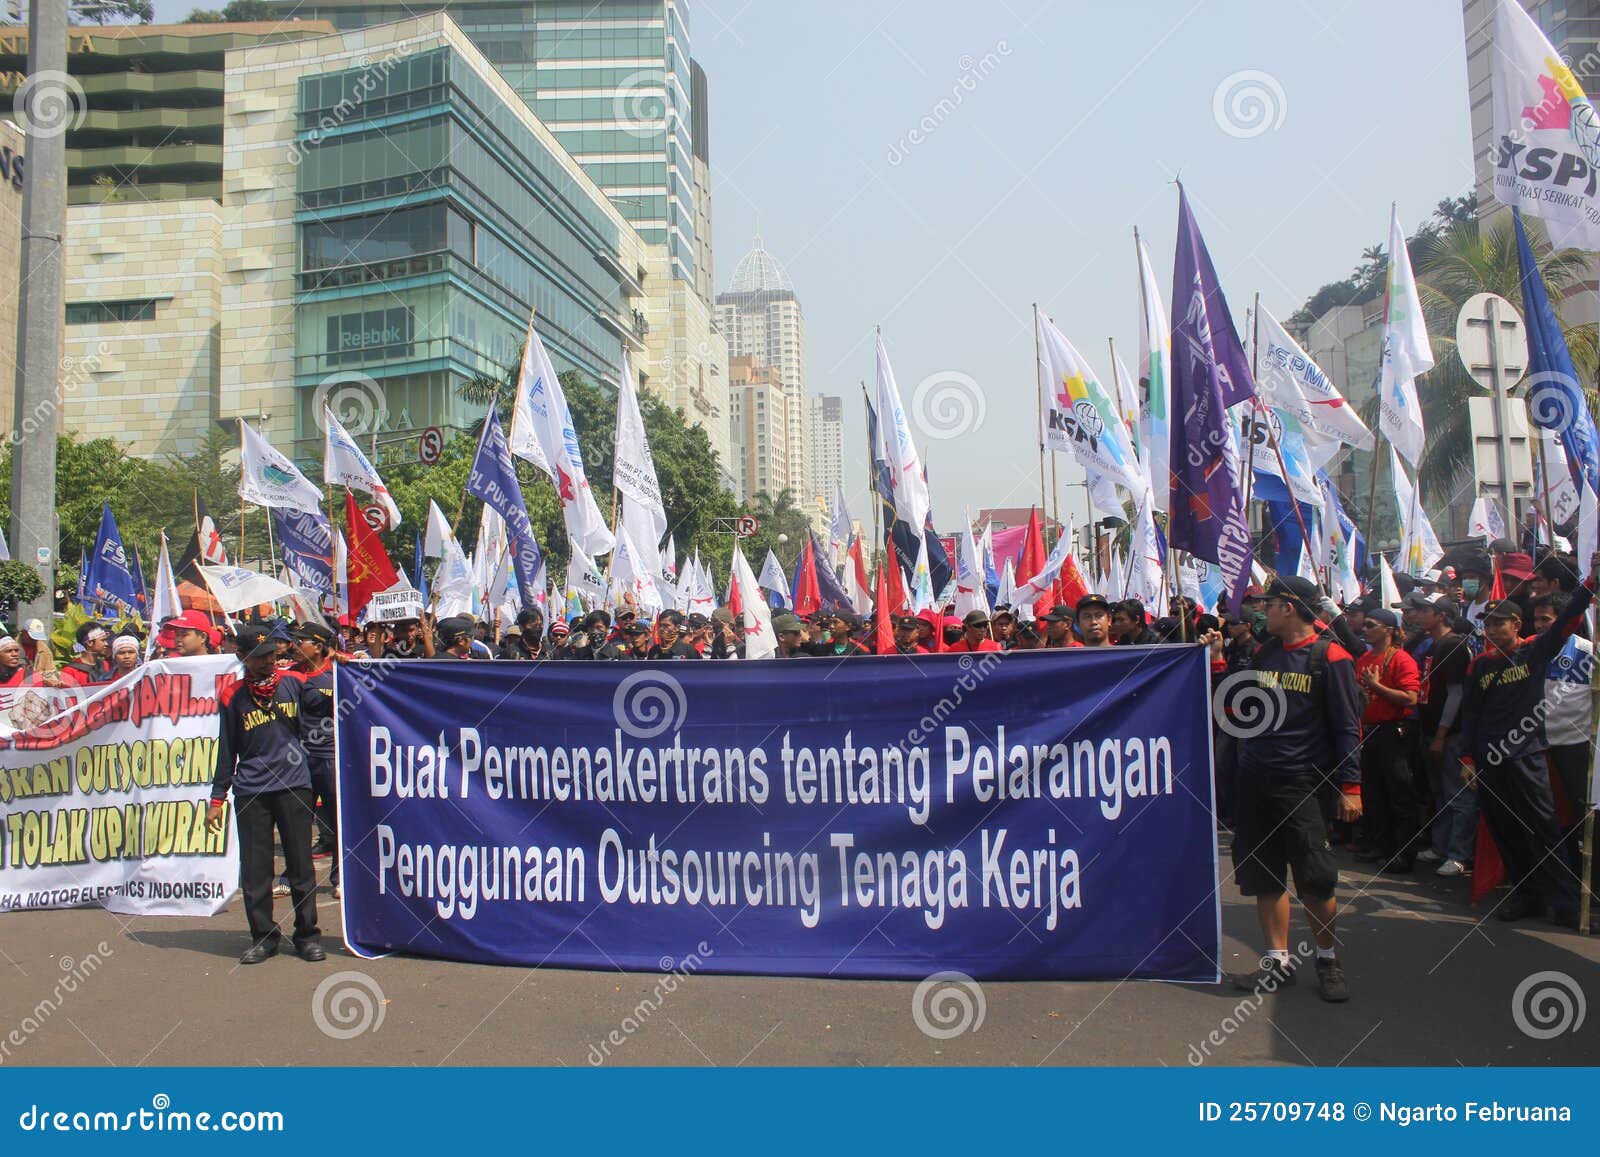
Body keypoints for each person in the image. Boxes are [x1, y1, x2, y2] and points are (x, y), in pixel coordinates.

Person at [1226, 576, 1361, 1003]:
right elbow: (1238, 706)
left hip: (1303, 785)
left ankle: (1326, 960)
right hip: (1256, 782)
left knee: (1316, 880)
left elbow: (1346, 728)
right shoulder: (1266, 652)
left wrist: (1351, 787)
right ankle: (1277, 963)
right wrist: (1218, 666)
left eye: (1268, 603)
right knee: (1265, 876)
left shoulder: (1331, 657)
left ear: (1290, 607)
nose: (1262, 610)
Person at [1461, 557, 1597, 928]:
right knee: (1506, 830)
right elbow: (1470, 715)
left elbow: (1568, 620)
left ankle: (1565, 903)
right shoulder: (1481, 665)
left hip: (1527, 755)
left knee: (1544, 829)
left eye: (1497, 623)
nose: (1490, 629)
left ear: (1516, 625)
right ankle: (1527, 894)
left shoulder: (1535, 651)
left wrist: (1589, 584)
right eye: (1486, 623)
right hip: (1491, 762)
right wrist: (1469, 758)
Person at [206, 627, 324, 965]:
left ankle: (307, 936)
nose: (268, 662)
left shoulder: (293, 684)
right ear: (243, 658)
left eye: (272, 655)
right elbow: (226, 750)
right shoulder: (232, 696)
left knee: (300, 866)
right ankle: (264, 937)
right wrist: (217, 798)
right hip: (251, 791)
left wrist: (343, 669)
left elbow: (326, 699)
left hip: (294, 786)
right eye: (259, 657)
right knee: (256, 870)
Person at [1529, 592, 1594, 884]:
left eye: (1547, 619)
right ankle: (1557, 875)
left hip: (1576, 747)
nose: (1541, 625)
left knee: (1584, 814)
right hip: (1537, 745)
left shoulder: (1588, 652)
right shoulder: (1529, 650)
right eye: (1536, 619)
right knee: (1548, 815)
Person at [1354, 608, 1421, 874]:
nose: (1365, 629)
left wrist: (1376, 685)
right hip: (1369, 732)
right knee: (1374, 793)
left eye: (1371, 625)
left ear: (1388, 631)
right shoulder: (1365, 658)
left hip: (1393, 733)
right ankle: (1382, 847)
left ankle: (1404, 853)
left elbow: (1410, 698)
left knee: (1399, 794)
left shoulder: (1401, 659)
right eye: (1365, 624)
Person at [1413, 599, 1475, 878]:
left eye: (1424, 611)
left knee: (1457, 794)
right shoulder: (1432, 645)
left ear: (1441, 616)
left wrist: (1441, 734)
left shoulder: (1452, 645)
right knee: (1439, 793)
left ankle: (1459, 854)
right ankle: (1441, 845)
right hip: (1430, 732)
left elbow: (1456, 694)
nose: (1418, 615)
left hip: (1450, 735)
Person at [291, 622, 339, 898]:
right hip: (299, 759)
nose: (296, 646)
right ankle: (292, 875)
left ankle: (339, 879)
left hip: (331, 758)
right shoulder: (291, 675)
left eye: (302, 642)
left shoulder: (338, 673)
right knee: (297, 820)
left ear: (318, 646)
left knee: (335, 822)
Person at [58, 623, 113, 687]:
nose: (106, 644)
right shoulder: (70, 671)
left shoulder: (105, 665)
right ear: (89, 643)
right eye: (103, 640)